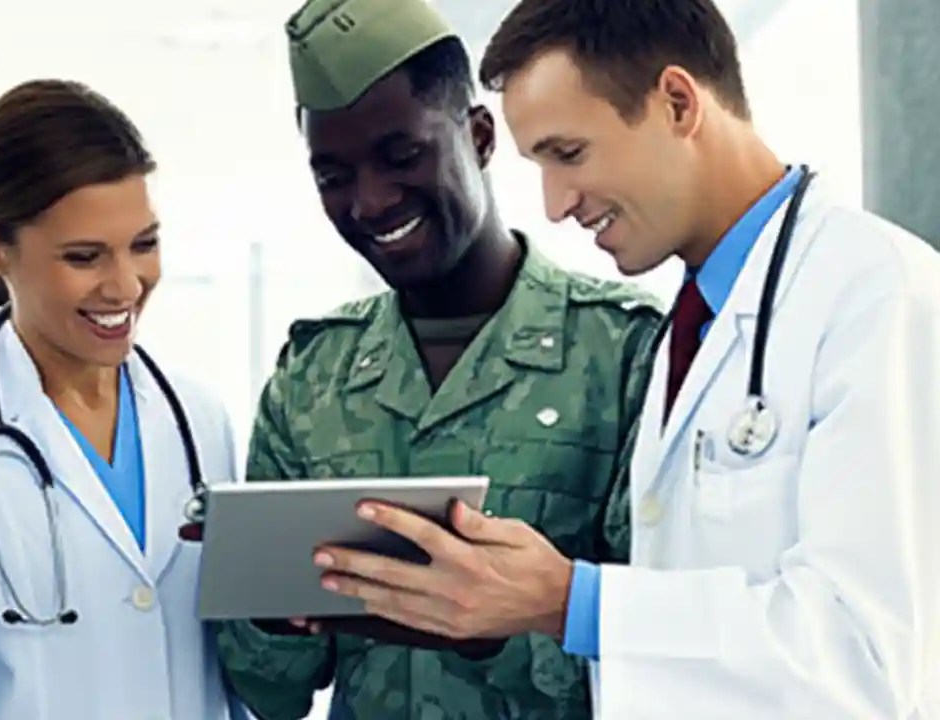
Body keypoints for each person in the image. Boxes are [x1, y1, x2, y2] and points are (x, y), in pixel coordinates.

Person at [311, 0, 940, 717]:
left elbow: (868, 654)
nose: (555, 204)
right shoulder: (693, 325)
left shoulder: (876, 292)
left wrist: (573, 601)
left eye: (568, 154)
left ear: (677, 102)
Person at [211, 0, 663, 717]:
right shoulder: (312, 376)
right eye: (333, 175)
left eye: (402, 157)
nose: (370, 200)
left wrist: (495, 626)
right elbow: (269, 692)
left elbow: (666, 653)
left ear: (479, 136)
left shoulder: (626, 354)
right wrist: (265, 603)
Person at [0, 79, 246, 720]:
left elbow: (229, 671)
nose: (126, 285)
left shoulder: (198, 421)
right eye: (84, 257)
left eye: (145, 245)